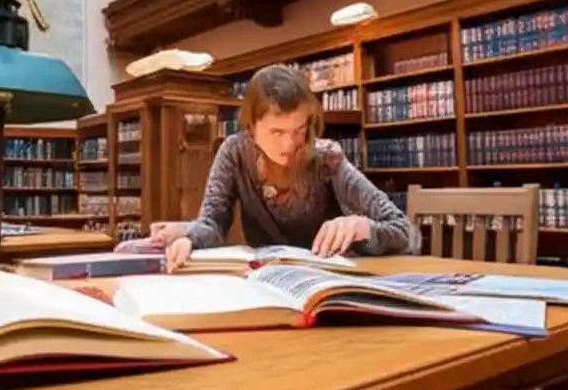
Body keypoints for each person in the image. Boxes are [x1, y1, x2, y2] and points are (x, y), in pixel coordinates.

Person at [157, 64, 418, 269]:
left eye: (299, 130)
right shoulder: (234, 153)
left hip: (327, 280)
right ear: (251, 127)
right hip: (267, 280)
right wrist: (189, 237)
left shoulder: (326, 158)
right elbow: (213, 225)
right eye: (276, 132)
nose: (290, 143)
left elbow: (405, 231)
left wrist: (363, 228)